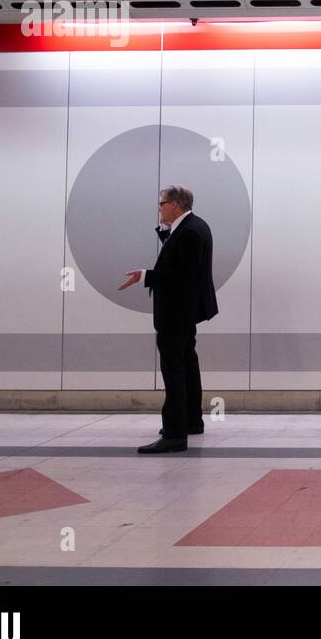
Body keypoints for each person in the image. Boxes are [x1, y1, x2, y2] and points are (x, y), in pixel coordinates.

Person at [118, 185, 218, 454]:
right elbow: (180, 262)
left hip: (176, 311)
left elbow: (182, 275)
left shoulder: (190, 233)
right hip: (185, 311)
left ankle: (175, 434)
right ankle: (191, 421)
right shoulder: (193, 227)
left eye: (162, 203)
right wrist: (167, 238)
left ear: (175, 204)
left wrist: (146, 275)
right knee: (187, 363)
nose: (159, 208)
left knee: (173, 369)